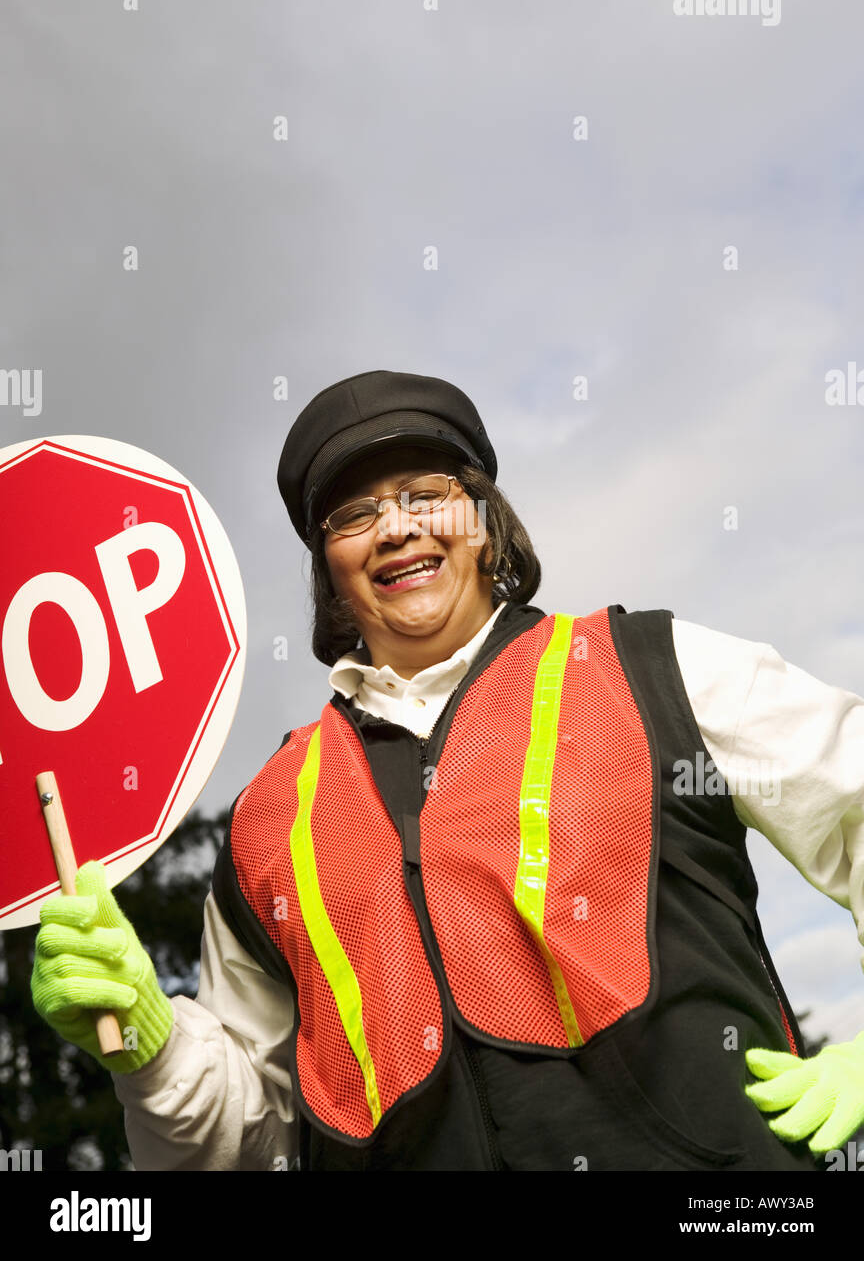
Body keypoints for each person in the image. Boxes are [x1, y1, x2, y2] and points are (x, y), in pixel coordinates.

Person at [31, 369, 864, 1172]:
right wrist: (153, 1048)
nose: (396, 528)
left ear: (485, 523)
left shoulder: (656, 668)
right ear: (328, 566)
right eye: (354, 515)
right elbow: (243, 1149)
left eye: (426, 495)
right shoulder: (265, 822)